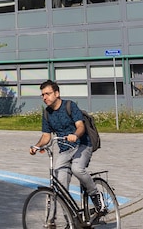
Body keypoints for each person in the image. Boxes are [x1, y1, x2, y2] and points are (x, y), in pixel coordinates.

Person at [29, 80, 102, 212]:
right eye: (43, 95)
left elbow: (80, 126)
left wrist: (75, 135)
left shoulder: (70, 106)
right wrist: (36, 146)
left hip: (82, 145)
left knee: (77, 169)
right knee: (60, 183)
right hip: (65, 151)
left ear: (57, 93)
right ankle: (71, 217)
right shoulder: (47, 113)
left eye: (47, 94)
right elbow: (46, 136)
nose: (44, 97)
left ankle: (95, 194)